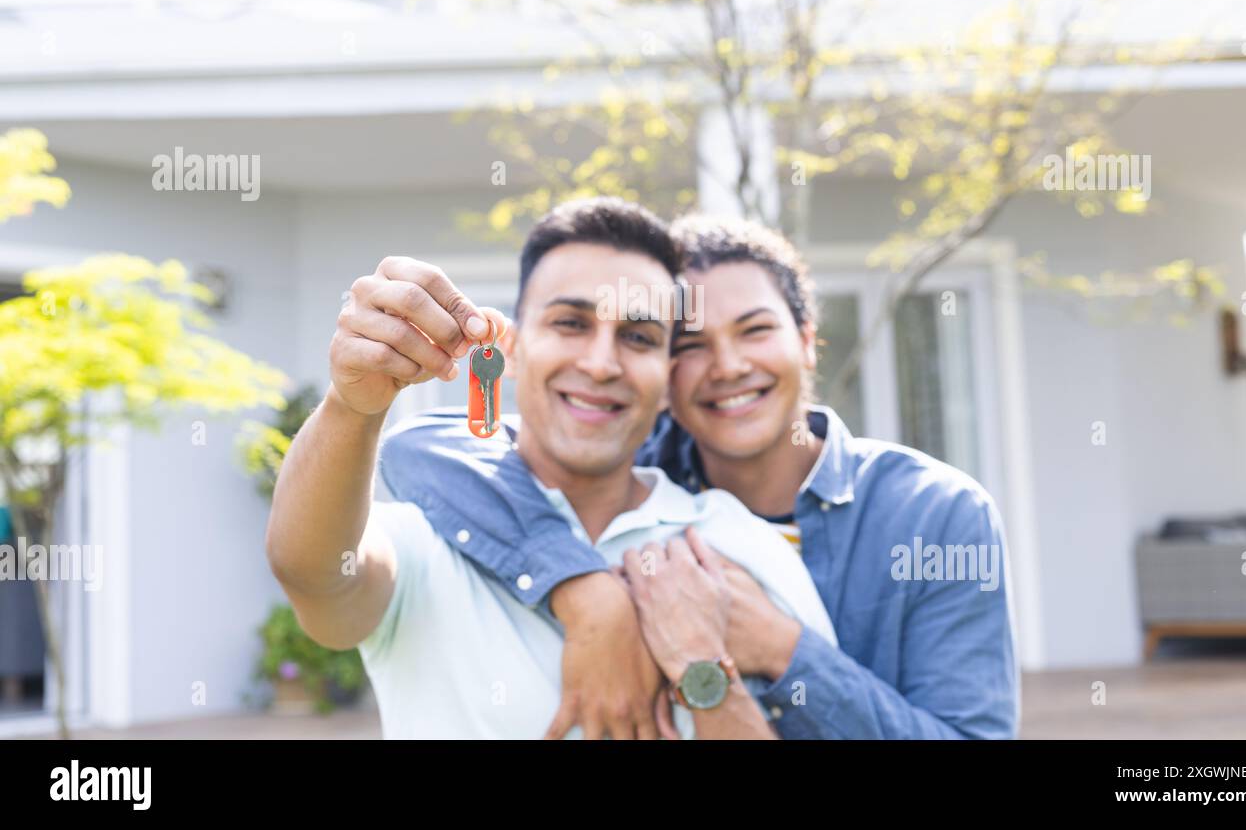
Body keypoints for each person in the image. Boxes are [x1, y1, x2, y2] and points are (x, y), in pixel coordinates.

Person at [381, 214, 1020, 739]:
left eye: (756, 331)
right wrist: (584, 591)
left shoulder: (935, 513)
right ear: (661, 369)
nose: (729, 365)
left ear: (806, 342)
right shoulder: (639, 477)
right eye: (690, 345)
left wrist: (779, 647)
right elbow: (425, 451)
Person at [265, 199, 835, 738]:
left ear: (667, 380)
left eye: (637, 336)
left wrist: (701, 672)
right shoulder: (425, 537)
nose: (600, 362)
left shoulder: (742, 547)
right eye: (570, 323)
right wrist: (352, 407)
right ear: (511, 350)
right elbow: (310, 574)